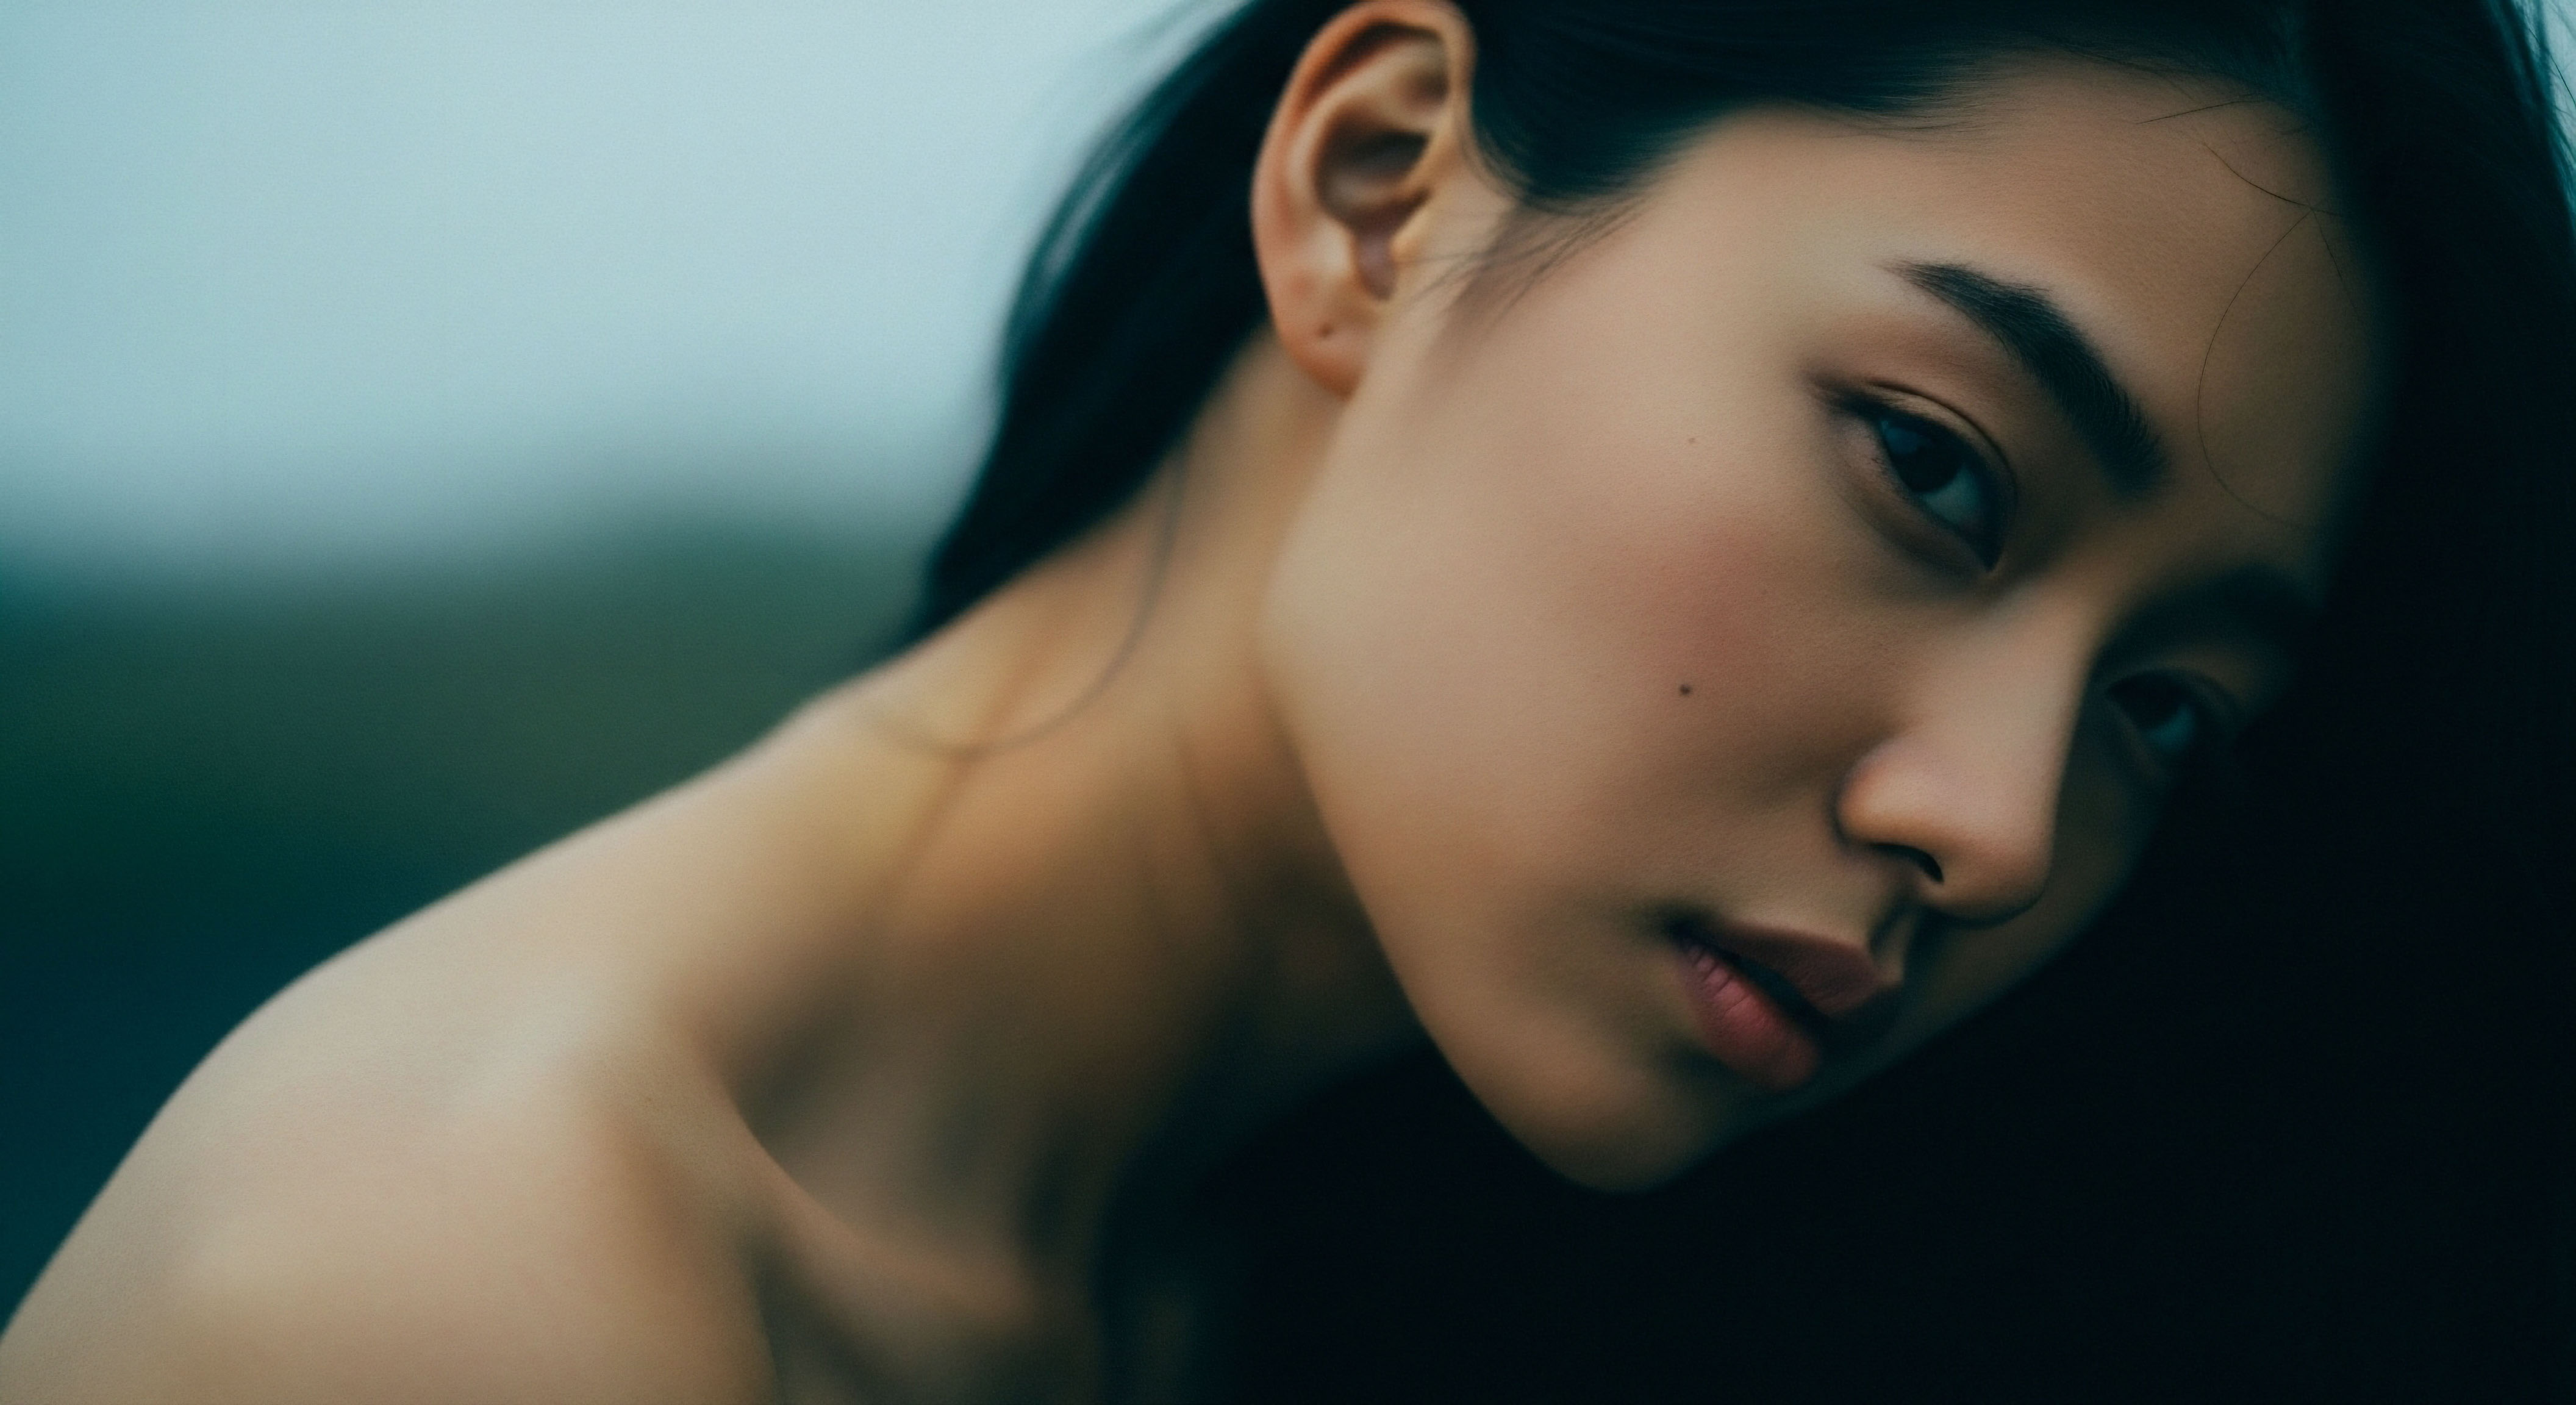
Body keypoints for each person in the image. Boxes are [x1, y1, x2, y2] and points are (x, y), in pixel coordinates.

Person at [4, 0, 2570, 1400]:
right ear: (1382, 192)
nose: (2001, 830)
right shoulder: (429, 1303)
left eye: (2170, 712)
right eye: (1936, 468)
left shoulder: (1312, 1266)